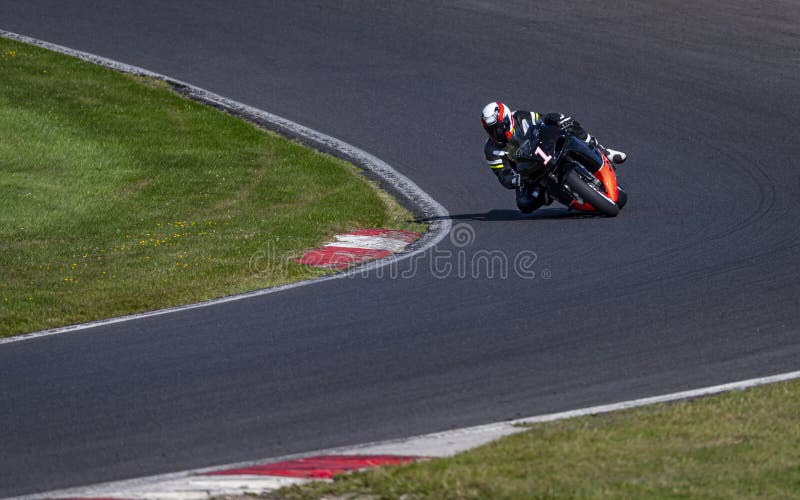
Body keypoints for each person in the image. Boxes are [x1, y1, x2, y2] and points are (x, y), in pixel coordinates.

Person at [481, 101, 626, 213]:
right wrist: (515, 180)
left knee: (568, 125)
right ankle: (550, 194)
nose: (497, 132)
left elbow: (544, 119)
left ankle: (603, 150)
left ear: (508, 119)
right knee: (524, 204)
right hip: (528, 173)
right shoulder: (491, 150)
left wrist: (558, 120)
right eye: (491, 130)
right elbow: (502, 175)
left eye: (500, 127)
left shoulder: (521, 117)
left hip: (547, 149)